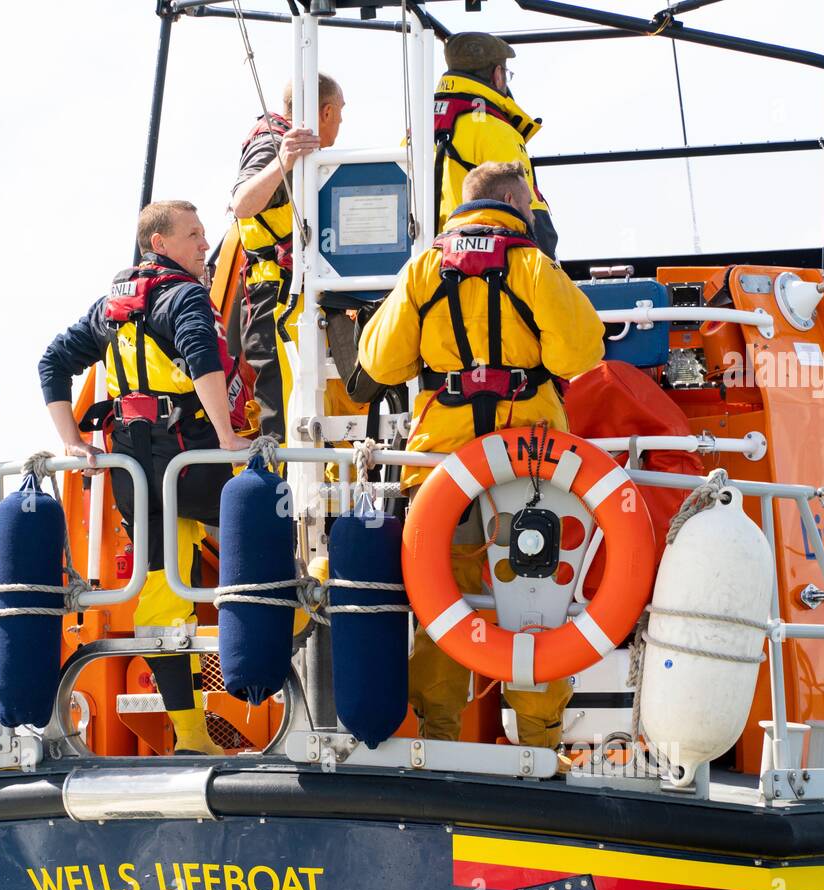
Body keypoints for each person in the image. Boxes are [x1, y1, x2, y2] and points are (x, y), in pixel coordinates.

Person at [357, 161, 604, 749]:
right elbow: (580, 354)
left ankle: (437, 738)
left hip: (444, 464)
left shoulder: (422, 269)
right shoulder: (533, 265)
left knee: (446, 601)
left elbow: (379, 365)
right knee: (536, 601)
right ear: (517, 201)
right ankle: (539, 747)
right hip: (530, 464)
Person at [38, 200, 249, 756]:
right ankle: (269, 678)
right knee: (268, 562)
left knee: (159, 601)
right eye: (194, 234)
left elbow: (51, 362)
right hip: (196, 468)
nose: (205, 245)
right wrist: (229, 442)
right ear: (159, 244)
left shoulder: (111, 305)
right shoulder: (184, 296)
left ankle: (193, 737)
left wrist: (71, 441)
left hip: (138, 477)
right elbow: (203, 358)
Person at [231, 73, 364, 442]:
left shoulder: (300, 151)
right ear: (325, 112)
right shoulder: (274, 143)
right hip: (275, 300)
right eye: (339, 112)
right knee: (285, 414)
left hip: (298, 297)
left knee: (320, 406)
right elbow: (242, 203)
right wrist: (283, 160)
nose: (341, 121)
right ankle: (285, 492)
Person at [433, 32, 560, 258]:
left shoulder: (419, 129)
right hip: (483, 268)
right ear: (498, 75)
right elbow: (530, 214)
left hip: (434, 263)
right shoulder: (497, 131)